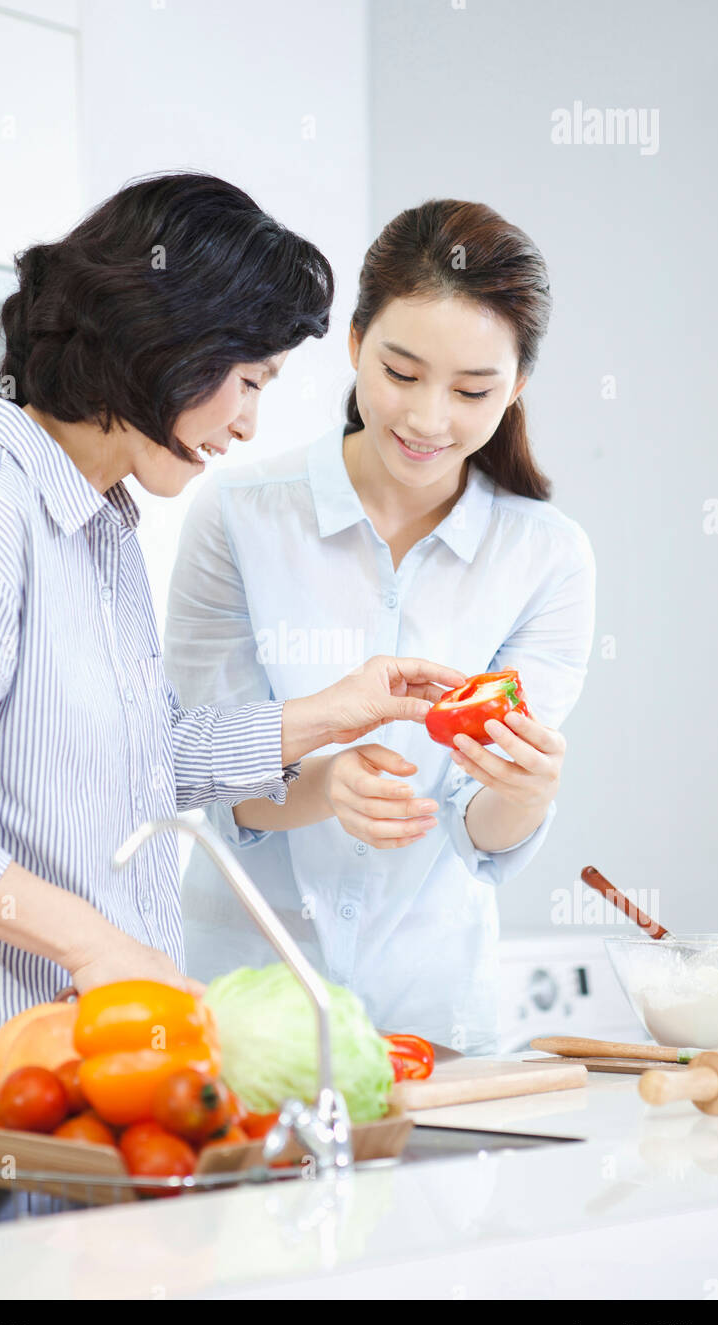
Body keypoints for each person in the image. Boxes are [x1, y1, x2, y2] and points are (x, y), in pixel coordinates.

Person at [0, 172, 463, 1102]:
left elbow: (145, 757)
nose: (247, 423)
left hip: (94, 1076)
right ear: (164, 341)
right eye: (246, 382)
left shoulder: (98, 524)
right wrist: (101, 948)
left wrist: (335, 712)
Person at [164, 198, 596, 1053]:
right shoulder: (239, 515)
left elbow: (481, 826)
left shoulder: (547, 558)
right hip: (245, 1006)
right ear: (356, 343)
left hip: (433, 1019)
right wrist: (325, 786)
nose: (429, 420)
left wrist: (525, 794)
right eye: (401, 373)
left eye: (474, 390)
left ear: (516, 389)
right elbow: (203, 761)